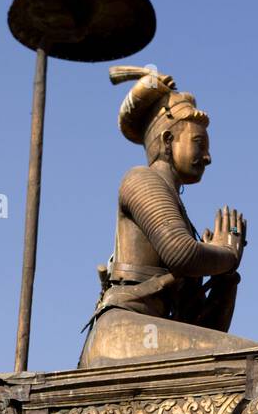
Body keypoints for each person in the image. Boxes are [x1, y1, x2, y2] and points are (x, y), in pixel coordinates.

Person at [80, 67, 247, 365]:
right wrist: (225, 255)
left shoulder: (180, 216)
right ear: (168, 140)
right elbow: (181, 254)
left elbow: (204, 329)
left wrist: (225, 278)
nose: (207, 157)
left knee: (251, 362)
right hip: (124, 332)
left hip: (154, 331)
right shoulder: (141, 180)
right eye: (199, 143)